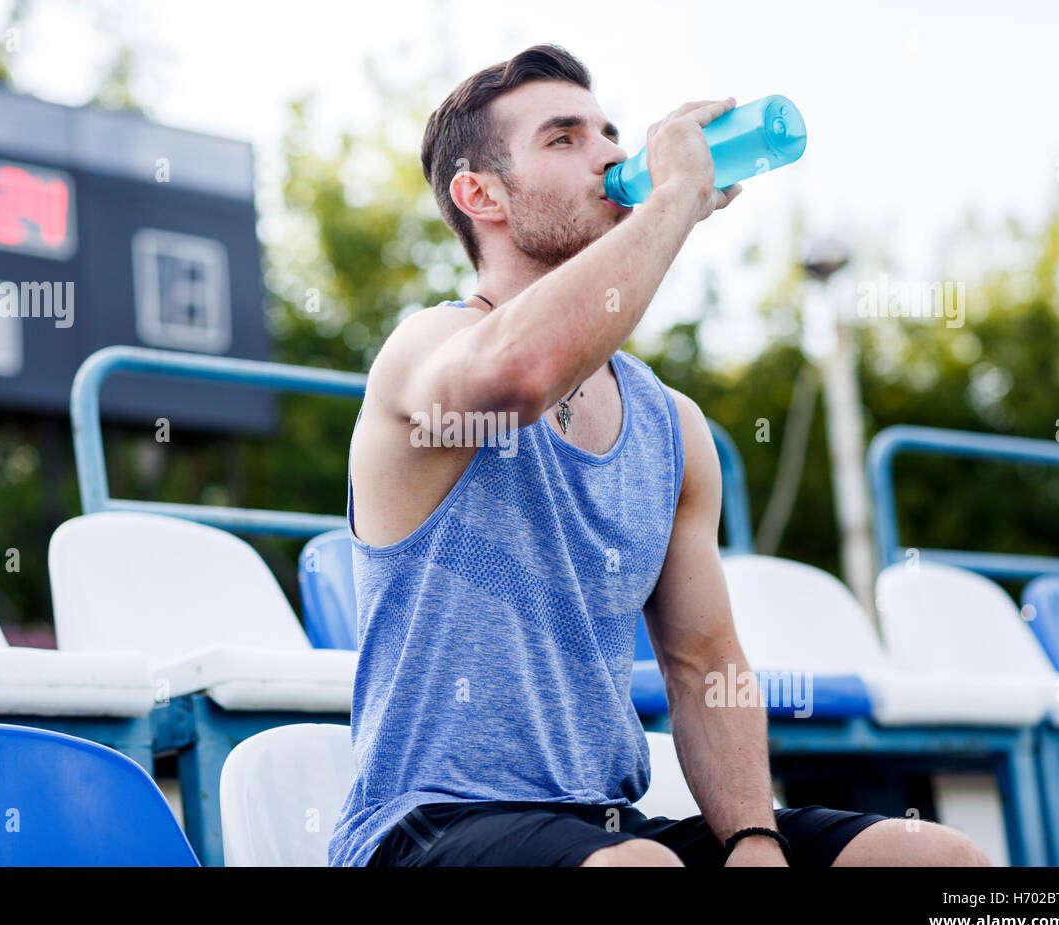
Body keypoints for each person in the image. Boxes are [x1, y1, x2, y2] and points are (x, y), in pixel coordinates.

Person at [327, 43, 992, 868]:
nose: (610, 153)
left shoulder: (671, 426)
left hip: (606, 825)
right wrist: (674, 196)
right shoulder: (427, 347)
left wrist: (754, 838)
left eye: (608, 132)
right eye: (564, 139)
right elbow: (520, 376)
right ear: (480, 194)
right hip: (427, 826)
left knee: (936, 860)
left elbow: (706, 660)